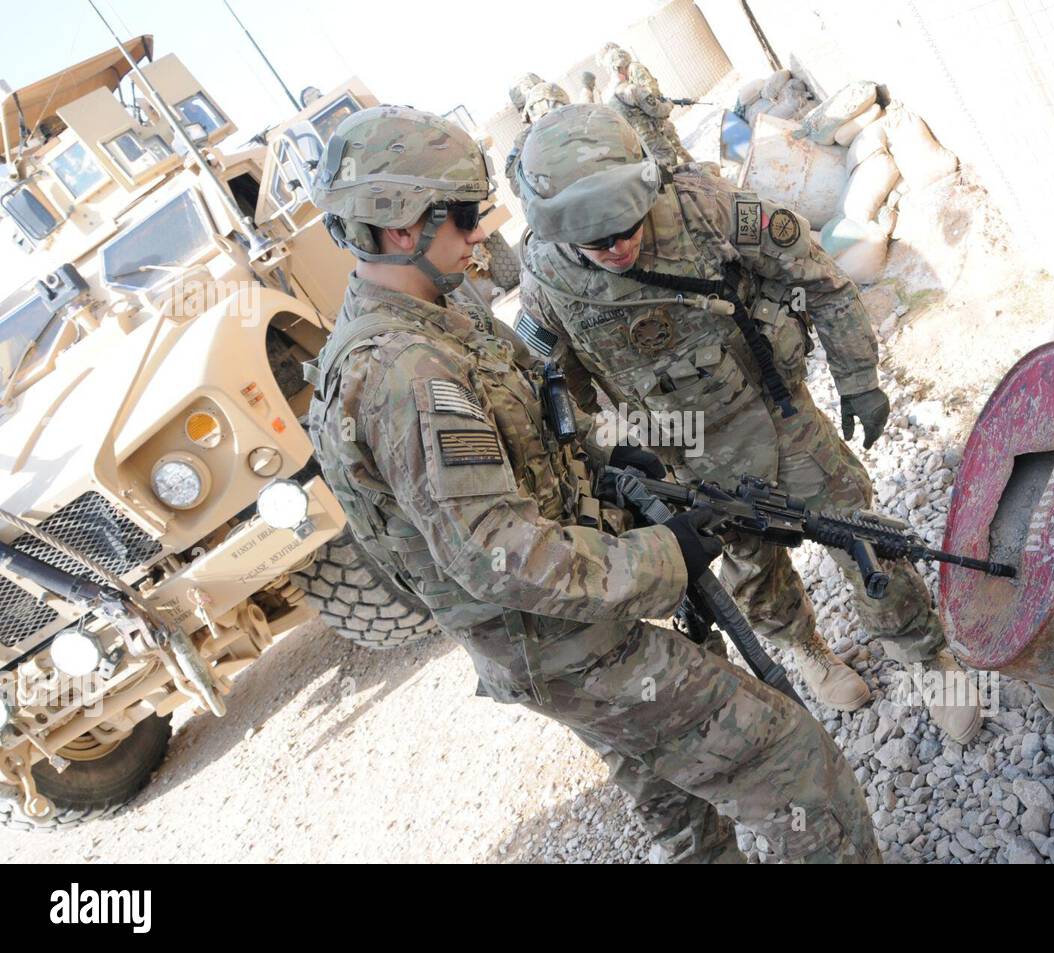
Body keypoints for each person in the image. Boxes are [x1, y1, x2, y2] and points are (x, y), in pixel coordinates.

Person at [305, 105, 879, 863]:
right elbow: (497, 554)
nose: (480, 233)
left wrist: (610, 462)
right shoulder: (404, 372)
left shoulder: (440, 316)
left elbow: (542, 415)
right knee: (794, 766)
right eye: (465, 216)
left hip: (564, 624)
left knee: (678, 806)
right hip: (566, 639)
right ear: (402, 226)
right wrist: (664, 559)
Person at [514, 104, 981, 742]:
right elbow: (564, 405)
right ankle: (807, 650)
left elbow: (822, 280)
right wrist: (626, 466)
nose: (620, 247)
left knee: (860, 534)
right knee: (752, 570)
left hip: (780, 416)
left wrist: (858, 376)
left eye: (628, 225)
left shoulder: (708, 211)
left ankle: (926, 654)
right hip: (691, 456)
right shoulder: (546, 286)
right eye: (598, 242)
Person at [600, 45, 691, 168]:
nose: (629, 70)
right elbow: (659, 110)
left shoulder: (606, 97)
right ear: (620, 68)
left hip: (634, 147)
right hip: (653, 141)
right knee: (670, 168)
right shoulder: (632, 90)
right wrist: (669, 104)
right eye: (627, 67)